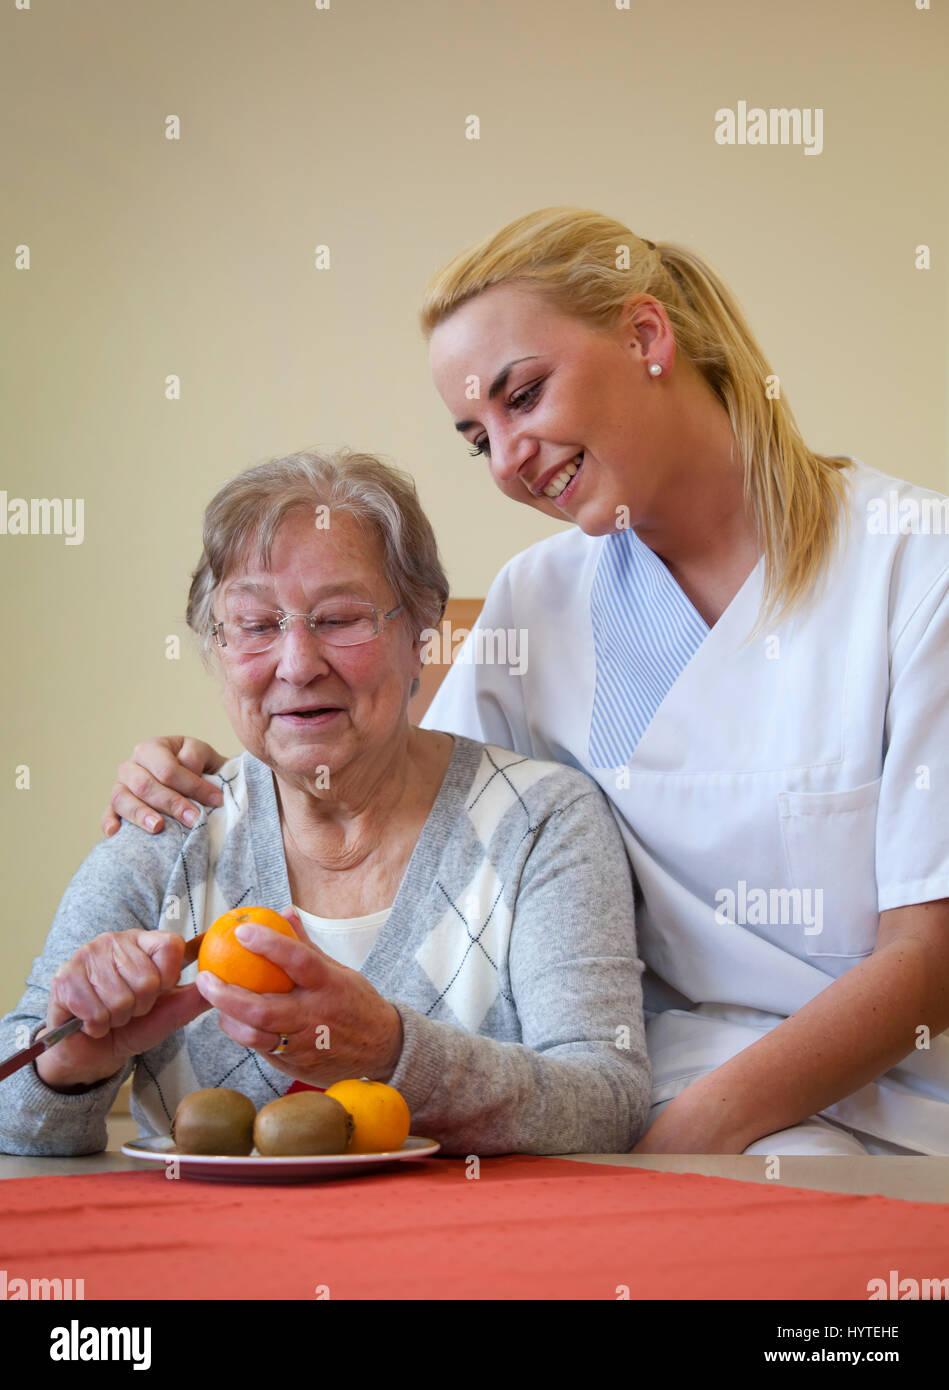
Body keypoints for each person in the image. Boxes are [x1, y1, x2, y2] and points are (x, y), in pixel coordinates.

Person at [98, 207, 949, 1157]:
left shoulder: (913, 569)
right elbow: (405, 799)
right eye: (476, 435)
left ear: (645, 336)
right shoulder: (538, 598)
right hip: (630, 1096)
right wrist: (215, 771)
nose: (507, 460)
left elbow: (930, 955)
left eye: (524, 396)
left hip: (878, 1110)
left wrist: (683, 1142)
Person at [0, 448, 651, 1158]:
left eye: (340, 619)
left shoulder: (541, 822)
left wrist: (390, 1050)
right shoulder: (166, 826)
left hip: (469, 1258)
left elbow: (605, 1104)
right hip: (204, 1261)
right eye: (255, 625)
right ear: (215, 648)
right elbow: (13, 1117)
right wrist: (69, 1067)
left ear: (419, 633)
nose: (298, 663)